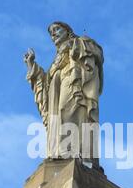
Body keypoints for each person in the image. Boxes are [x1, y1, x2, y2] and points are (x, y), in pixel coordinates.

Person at [24, 22, 104, 160]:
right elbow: (45, 84)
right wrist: (31, 65)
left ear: (67, 31)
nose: (53, 34)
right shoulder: (56, 60)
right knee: (58, 117)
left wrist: (74, 46)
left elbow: (97, 53)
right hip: (59, 88)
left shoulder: (80, 42)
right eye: (51, 32)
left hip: (75, 85)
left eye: (57, 29)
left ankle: (74, 153)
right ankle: (61, 153)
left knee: (66, 111)